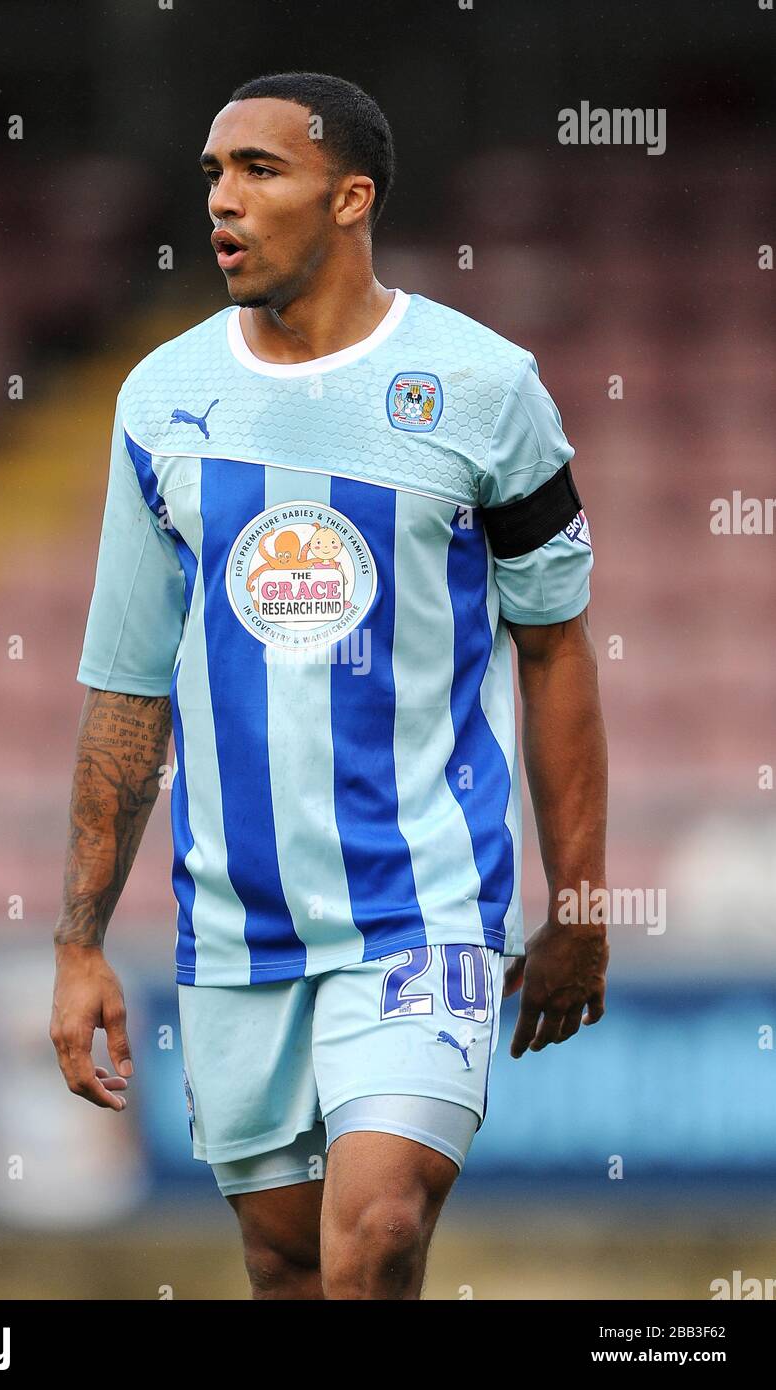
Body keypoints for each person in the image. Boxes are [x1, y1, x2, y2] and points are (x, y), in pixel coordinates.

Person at [50, 70, 609, 1300]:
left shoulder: (481, 388)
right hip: (236, 926)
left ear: (351, 197)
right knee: (288, 1262)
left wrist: (578, 898)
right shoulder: (160, 402)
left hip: (425, 907)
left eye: (260, 170)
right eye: (212, 175)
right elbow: (127, 689)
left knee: (379, 1230)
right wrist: (80, 940)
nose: (224, 202)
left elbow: (554, 644)